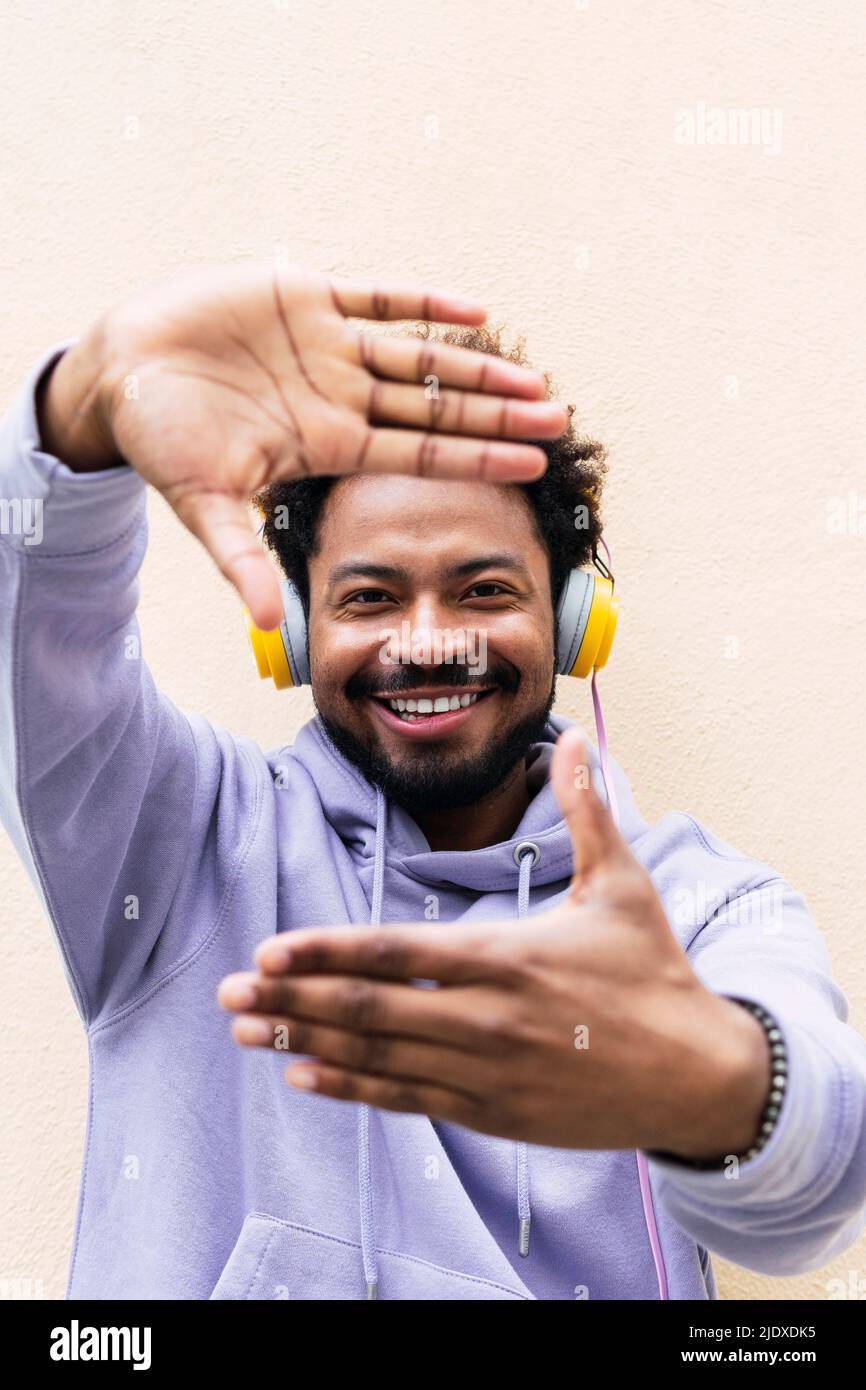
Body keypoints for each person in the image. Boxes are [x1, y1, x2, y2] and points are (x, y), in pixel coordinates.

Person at [1, 262, 864, 1301]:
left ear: (575, 616)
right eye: (369, 597)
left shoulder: (697, 906)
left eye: (482, 589)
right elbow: (37, 643)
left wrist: (710, 1080)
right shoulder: (173, 841)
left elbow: (821, 1184)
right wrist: (86, 410)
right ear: (297, 629)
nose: (426, 642)